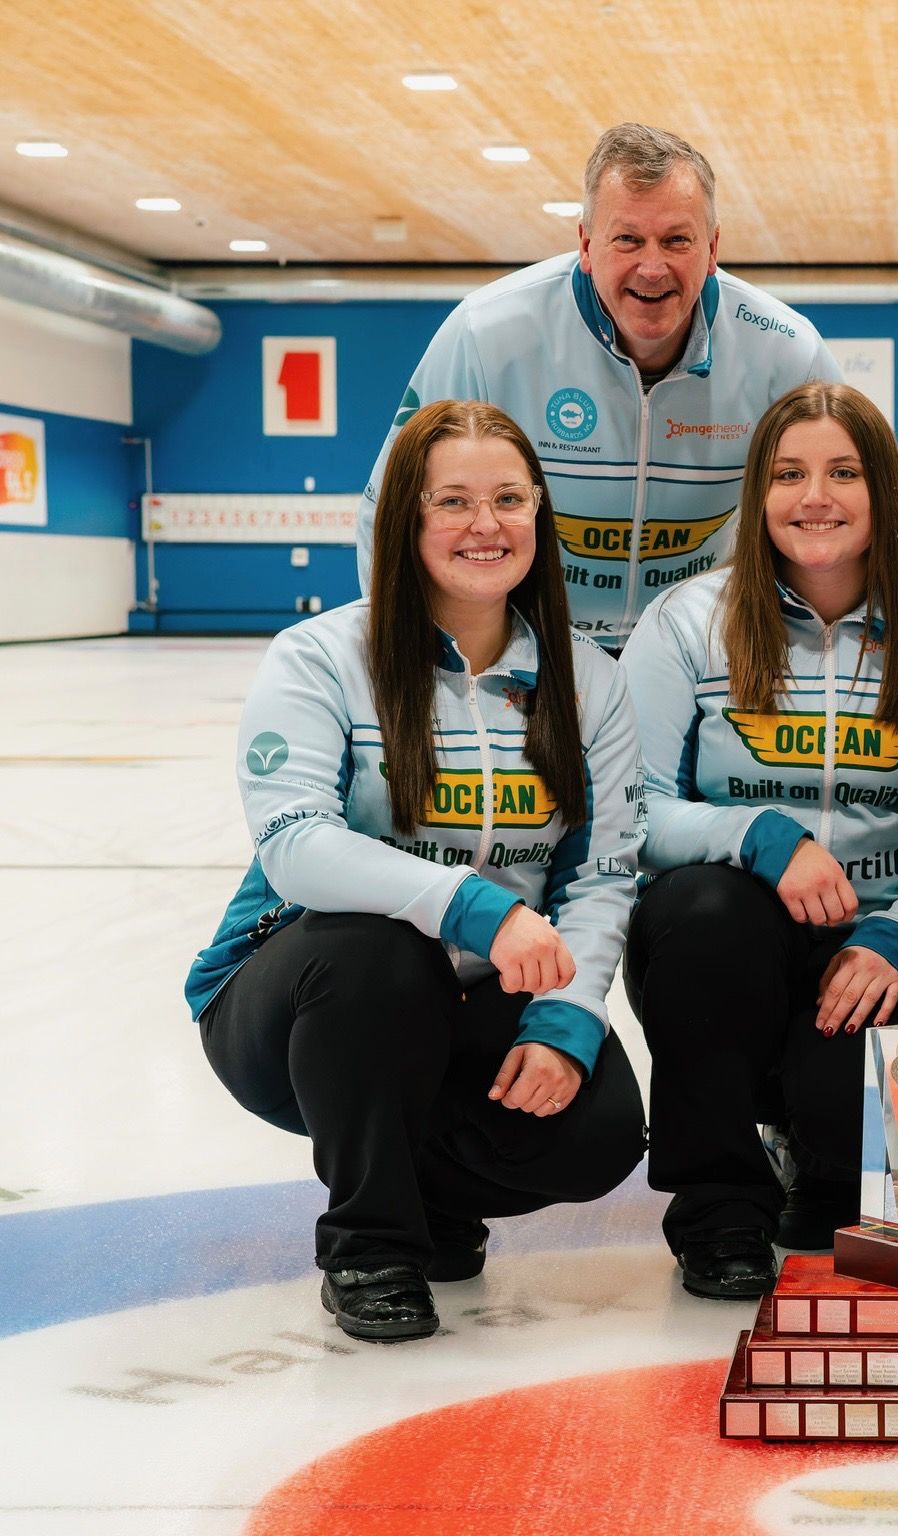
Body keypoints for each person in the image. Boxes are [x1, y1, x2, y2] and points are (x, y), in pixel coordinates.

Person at [188, 400, 649, 1342]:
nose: (486, 525)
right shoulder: (322, 657)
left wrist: (567, 1018)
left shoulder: (586, 680)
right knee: (378, 953)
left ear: (538, 515)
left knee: (600, 1129)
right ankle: (369, 1245)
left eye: (510, 499)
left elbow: (603, 874)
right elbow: (297, 842)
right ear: (406, 518)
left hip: (474, 1007)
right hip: (304, 1004)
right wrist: (473, 907)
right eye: (454, 501)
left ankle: (426, 1200)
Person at [619, 381, 898, 1299]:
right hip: (726, 949)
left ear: (883, 489)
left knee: (861, 1187)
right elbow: (632, 813)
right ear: (757, 496)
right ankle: (718, 1211)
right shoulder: (688, 623)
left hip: (879, 943)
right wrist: (756, 835)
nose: (816, 496)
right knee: (704, 904)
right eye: (789, 473)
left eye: (844, 472)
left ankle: (830, 1170)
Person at [358, 123, 841, 649]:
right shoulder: (486, 333)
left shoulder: (786, 349)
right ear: (586, 243)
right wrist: (408, 660)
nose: (652, 267)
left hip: (702, 652)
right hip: (534, 652)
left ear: (713, 247)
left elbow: (854, 508)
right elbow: (390, 508)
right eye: (627, 239)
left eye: (677, 240)